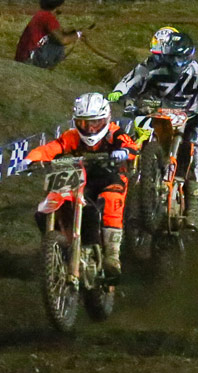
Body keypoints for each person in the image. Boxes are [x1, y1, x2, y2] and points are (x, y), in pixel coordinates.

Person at [107, 27, 198, 228]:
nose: (177, 64)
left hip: (191, 118)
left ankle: (192, 209)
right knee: (137, 136)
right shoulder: (153, 68)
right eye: (173, 59)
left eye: (181, 59)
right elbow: (132, 82)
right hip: (160, 115)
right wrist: (123, 96)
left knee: (196, 150)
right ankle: (132, 181)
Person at [23, 93, 137, 279]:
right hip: (83, 178)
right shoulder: (73, 136)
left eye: (95, 123)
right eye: (84, 123)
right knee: (49, 205)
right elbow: (53, 148)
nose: (90, 128)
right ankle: (57, 250)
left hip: (112, 176)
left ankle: (112, 255)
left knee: (111, 199)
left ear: (106, 119)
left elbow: (131, 146)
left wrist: (123, 153)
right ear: (77, 122)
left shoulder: (114, 133)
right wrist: (31, 158)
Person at [15, 0, 82, 68]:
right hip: (29, 60)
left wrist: (76, 30)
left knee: (54, 40)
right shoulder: (49, 18)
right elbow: (63, 40)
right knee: (58, 46)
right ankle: (43, 66)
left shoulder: (42, 14)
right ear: (58, 5)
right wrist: (79, 34)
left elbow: (60, 31)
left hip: (23, 57)